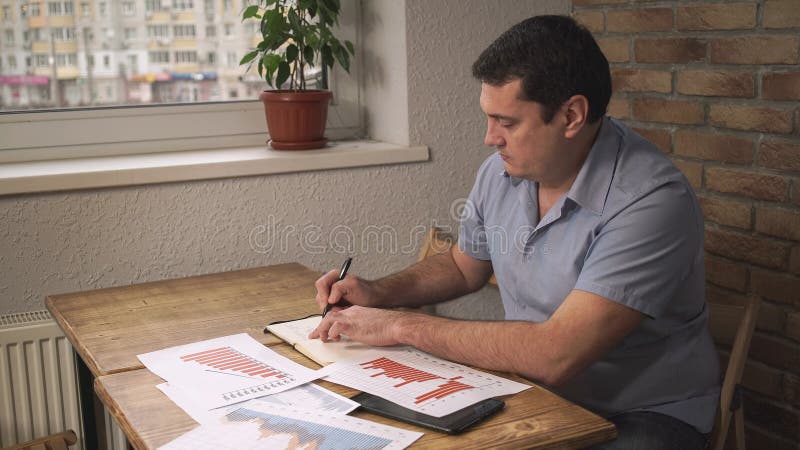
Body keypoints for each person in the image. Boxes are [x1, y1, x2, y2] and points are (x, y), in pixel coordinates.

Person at [310, 15, 719, 450]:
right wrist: (378, 292)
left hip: (640, 413)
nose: (490, 139)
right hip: (532, 390)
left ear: (572, 115)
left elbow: (555, 354)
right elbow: (462, 266)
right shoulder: (502, 172)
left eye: (506, 122)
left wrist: (399, 326)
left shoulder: (651, 201)